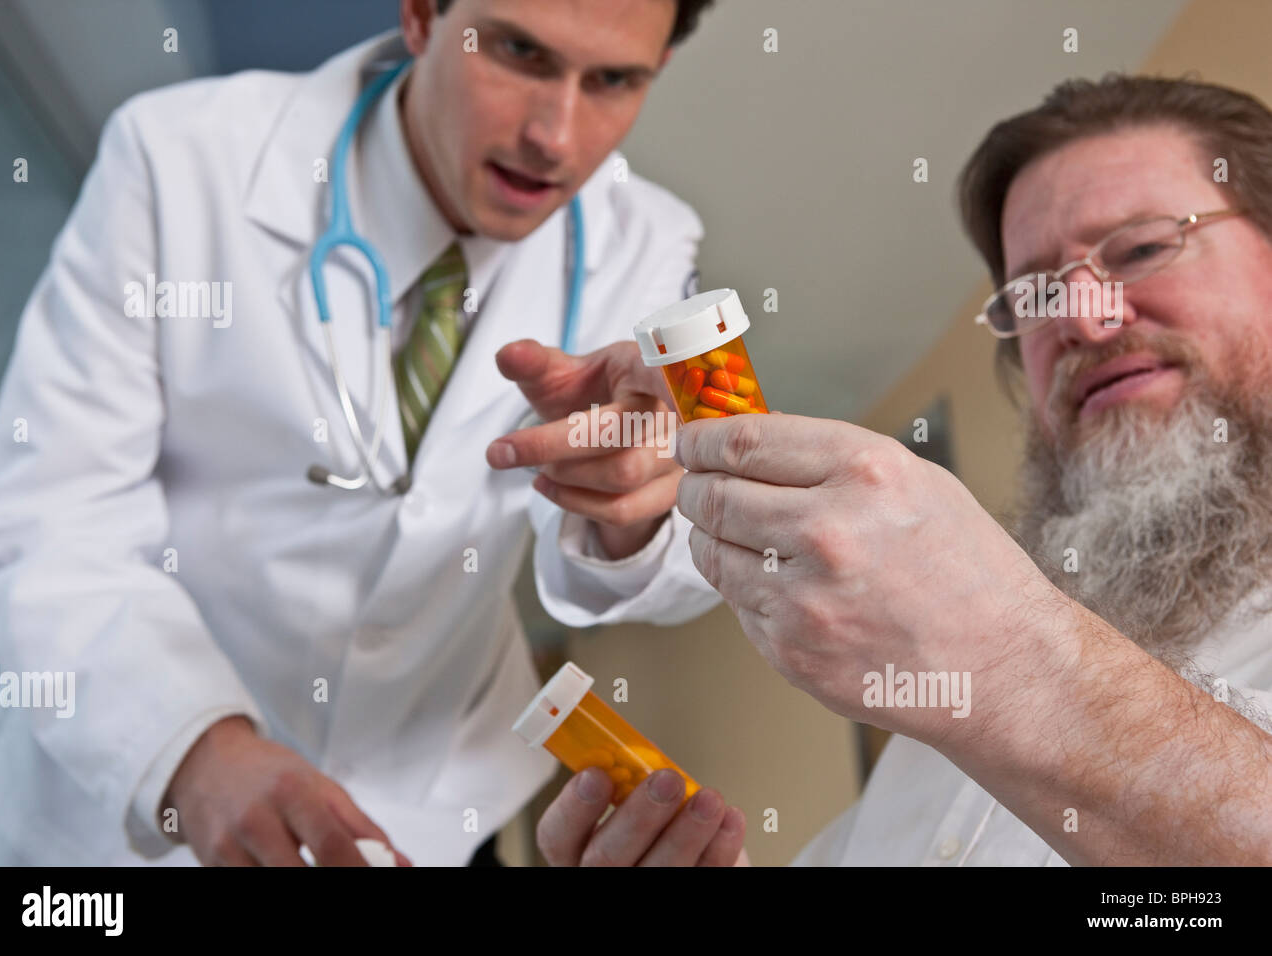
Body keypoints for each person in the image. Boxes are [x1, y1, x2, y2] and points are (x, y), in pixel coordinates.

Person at [0, 0, 723, 866]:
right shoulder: (178, 160)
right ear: (418, 17)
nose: (556, 136)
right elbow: (43, 521)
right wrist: (194, 749)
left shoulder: (654, 244)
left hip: (420, 808)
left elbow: (687, 554)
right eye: (518, 52)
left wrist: (631, 508)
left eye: (613, 80)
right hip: (128, 785)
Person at [535, 73, 1272, 866]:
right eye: (1033, 294)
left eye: (1143, 248)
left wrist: (1005, 658)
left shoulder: (989, 656)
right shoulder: (936, 734)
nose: (1082, 321)